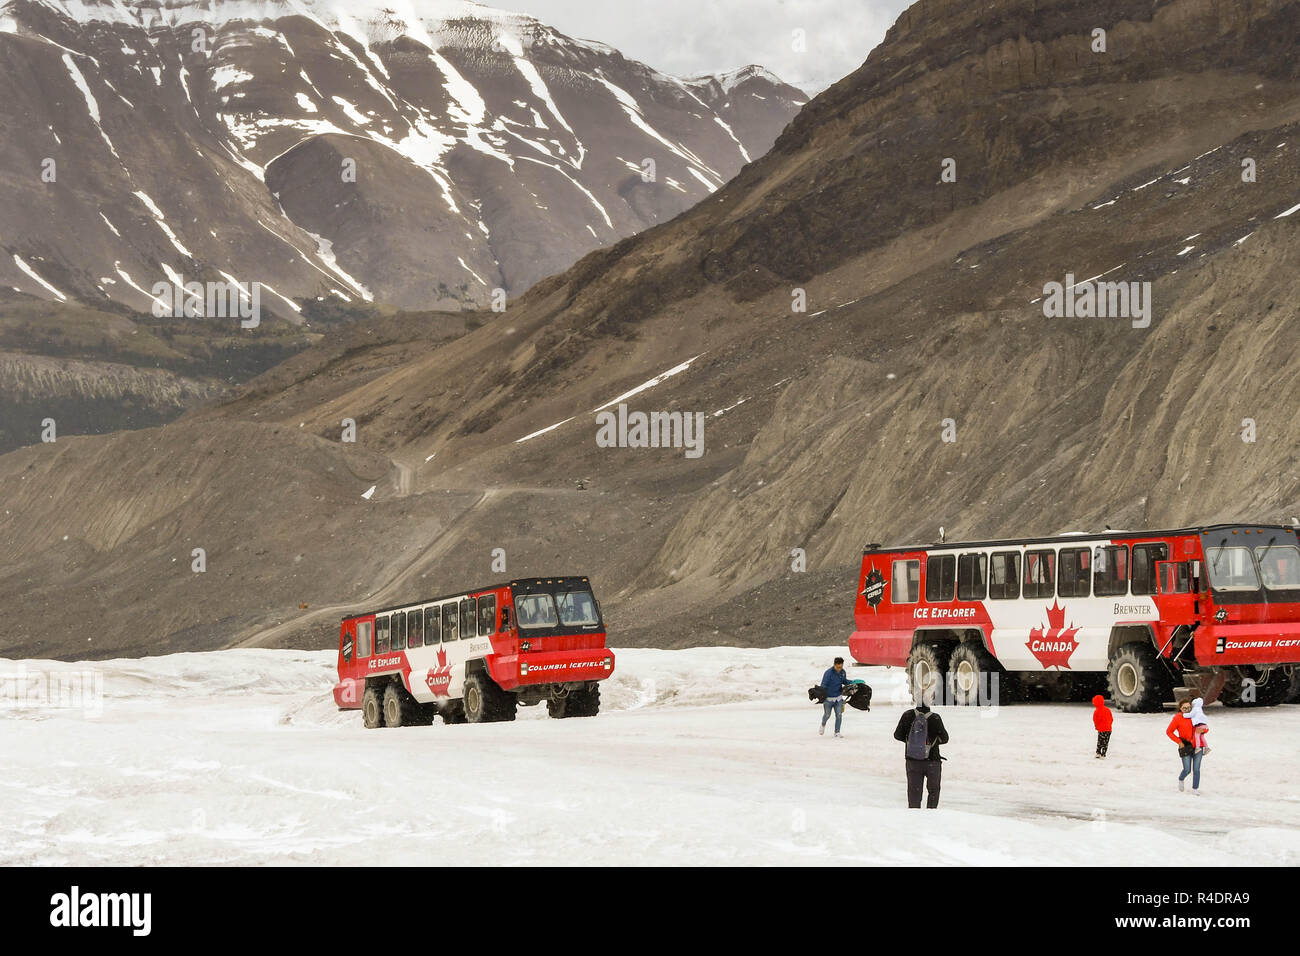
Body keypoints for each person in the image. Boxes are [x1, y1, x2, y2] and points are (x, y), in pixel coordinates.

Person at [893, 702, 950, 808]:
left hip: (913, 761)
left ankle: (914, 815)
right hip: (932, 761)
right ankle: (931, 814)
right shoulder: (935, 718)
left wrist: (913, 742)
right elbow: (945, 738)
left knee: (914, 793)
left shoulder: (907, 715)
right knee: (933, 791)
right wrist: (930, 744)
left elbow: (897, 735)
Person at [1166, 699, 1202, 795]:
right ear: (1180, 709)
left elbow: (1205, 726)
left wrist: (1203, 730)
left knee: (1197, 769)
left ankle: (1195, 788)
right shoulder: (1177, 718)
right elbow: (1169, 732)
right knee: (1187, 769)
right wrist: (1179, 742)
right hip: (1185, 746)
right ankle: (1181, 778)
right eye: (1184, 708)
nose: (1187, 710)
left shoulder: (1196, 715)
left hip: (1198, 745)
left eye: (1189, 708)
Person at [818, 657, 853, 737]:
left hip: (838, 698)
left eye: (841, 667)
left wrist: (853, 682)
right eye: (838, 667)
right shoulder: (828, 673)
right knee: (827, 715)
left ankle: (837, 732)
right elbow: (823, 685)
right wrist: (820, 694)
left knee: (839, 715)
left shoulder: (843, 672)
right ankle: (823, 724)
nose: (839, 669)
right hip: (828, 699)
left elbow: (844, 681)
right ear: (834, 664)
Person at [1092, 694, 1113, 758]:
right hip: (1108, 729)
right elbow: (1111, 719)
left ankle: (1098, 753)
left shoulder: (1096, 711)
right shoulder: (1107, 710)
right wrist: (1109, 725)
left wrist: (1097, 727)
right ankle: (1103, 754)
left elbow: (1095, 720)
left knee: (1100, 741)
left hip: (1101, 729)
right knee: (1105, 742)